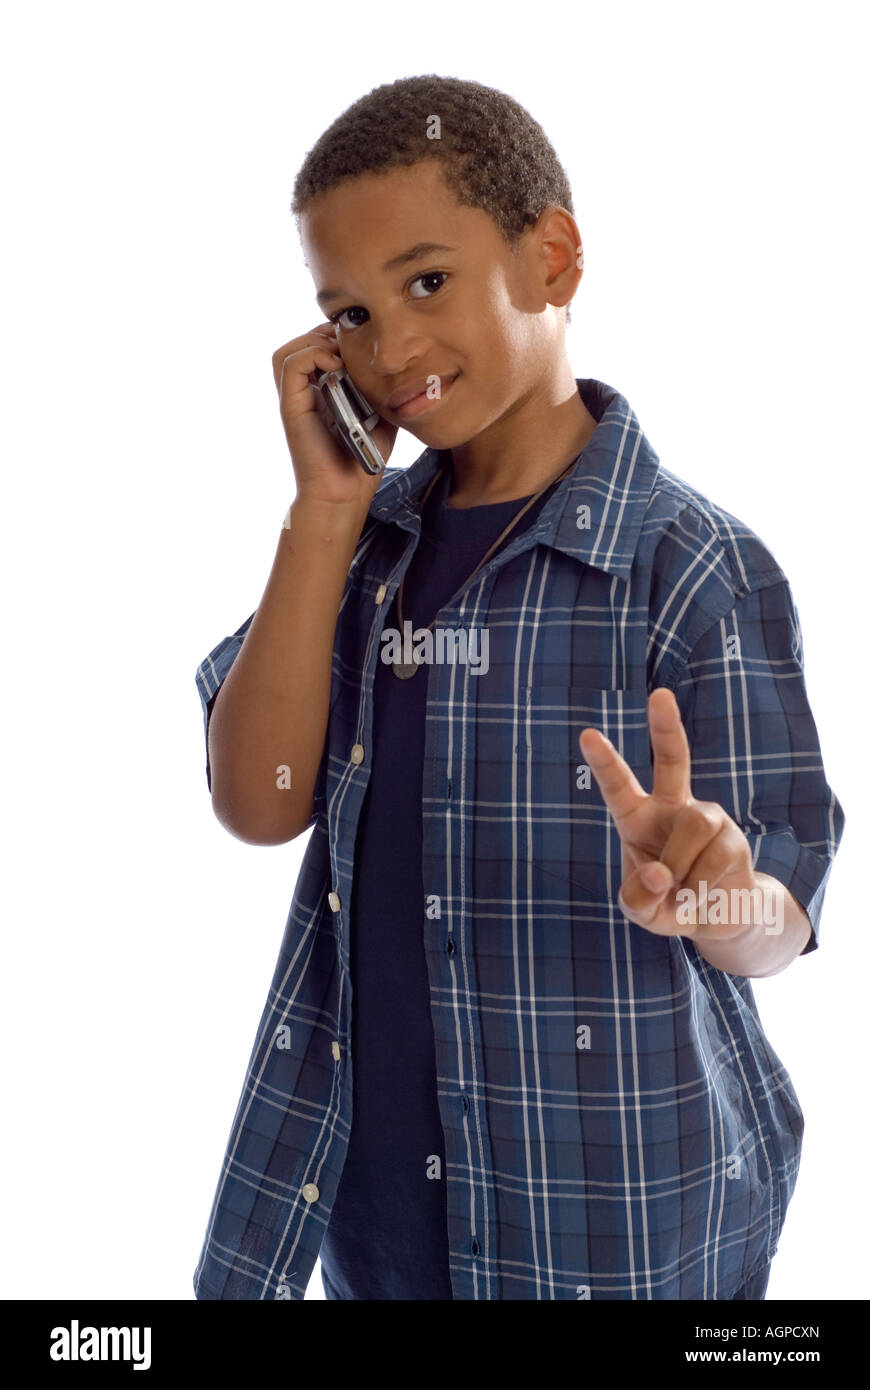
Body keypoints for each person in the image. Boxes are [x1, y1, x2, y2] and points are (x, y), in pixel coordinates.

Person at [192, 75, 844, 1301]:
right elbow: (260, 799)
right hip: (374, 1226)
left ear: (551, 256)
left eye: (425, 282)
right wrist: (325, 507)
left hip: (610, 1236)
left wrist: (713, 891)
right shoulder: (359, 549)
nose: (390, 351)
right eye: (349, 313)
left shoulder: (686, 561)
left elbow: (783, 911)